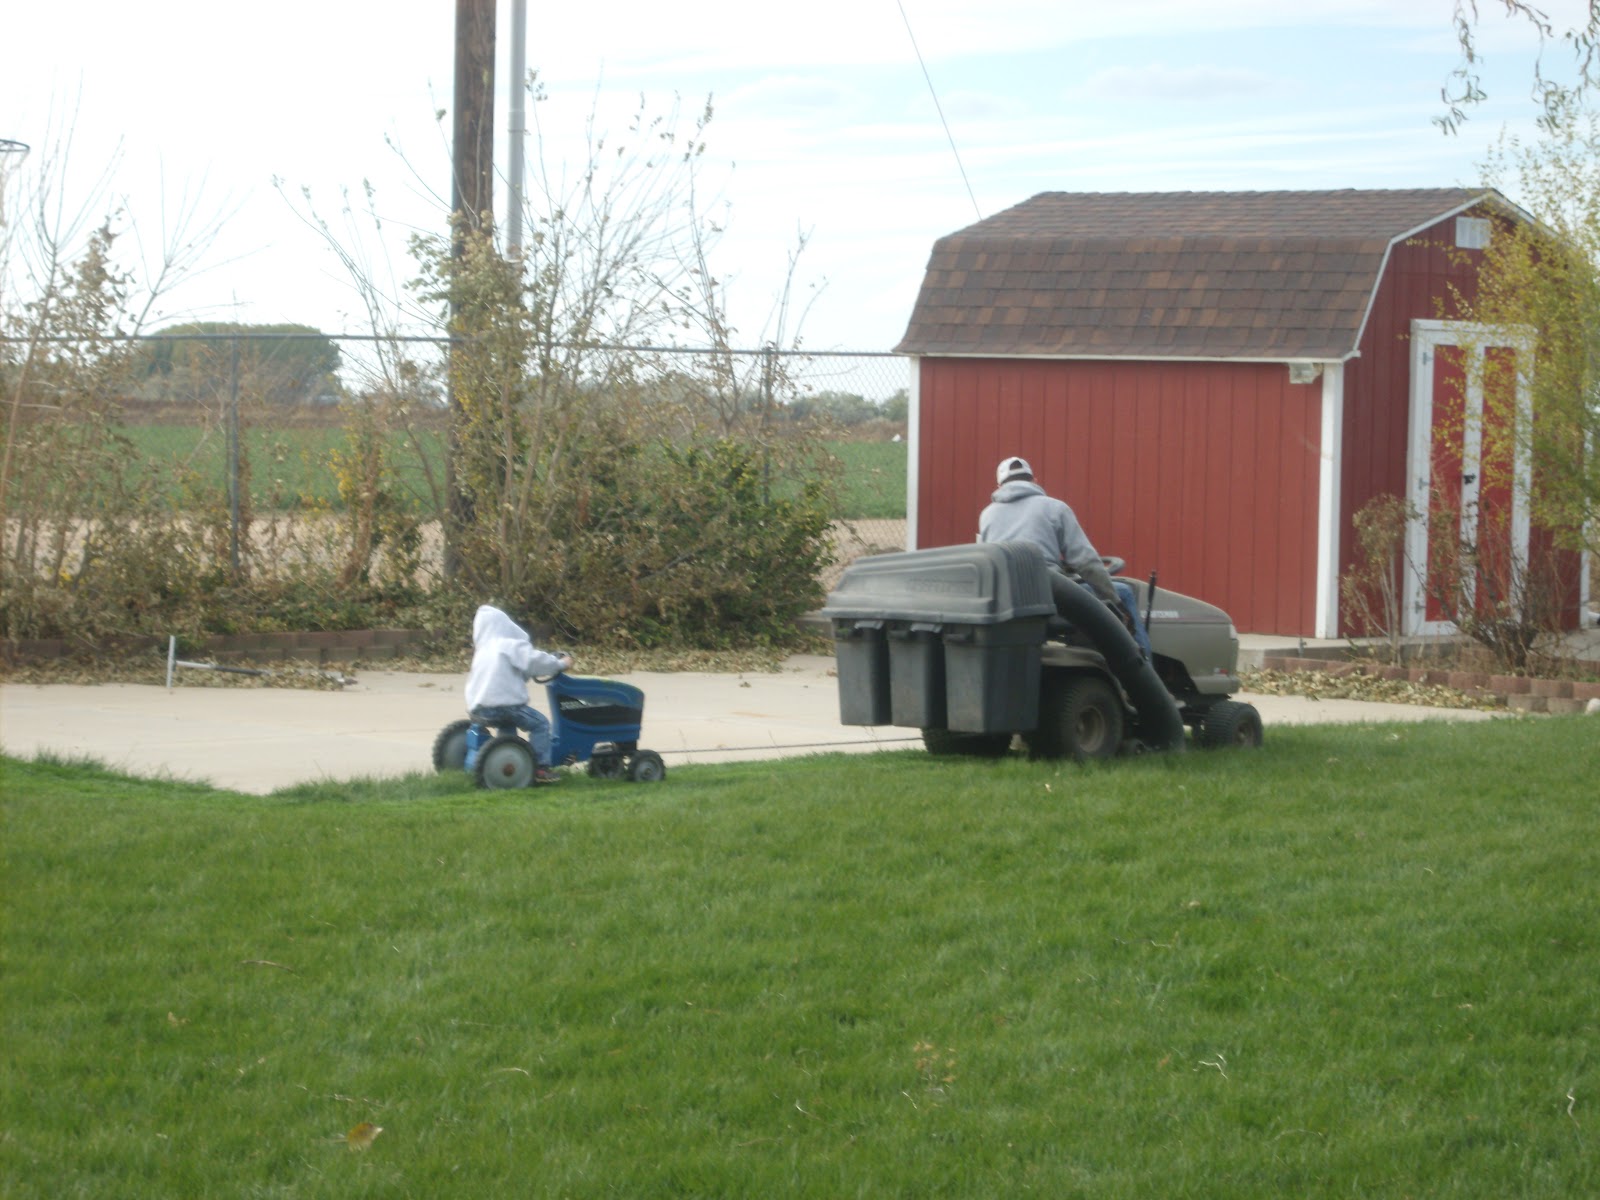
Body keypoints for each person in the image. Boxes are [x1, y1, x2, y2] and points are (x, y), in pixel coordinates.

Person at [978, 455, 1152, 658]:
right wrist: (1114, 600)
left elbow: (986, 560)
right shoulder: (1055, 508)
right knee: (1125, 592)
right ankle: (1146, 675)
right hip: (1049, 595)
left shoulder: (986, 515)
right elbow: (1086, 562)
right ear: (1035, 481)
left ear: (998, 487)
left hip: (1008, 599)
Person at [463, 604, 573, 783]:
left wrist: (530, 672)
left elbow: (520, 671)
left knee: (507, 728)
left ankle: (507, 756)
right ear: (504, 625)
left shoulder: (484, 650)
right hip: (503, 706)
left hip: (479, 708)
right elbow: (534, 661)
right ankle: (541, 769)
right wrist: (560, 664)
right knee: (541, 724)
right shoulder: (508, 644)